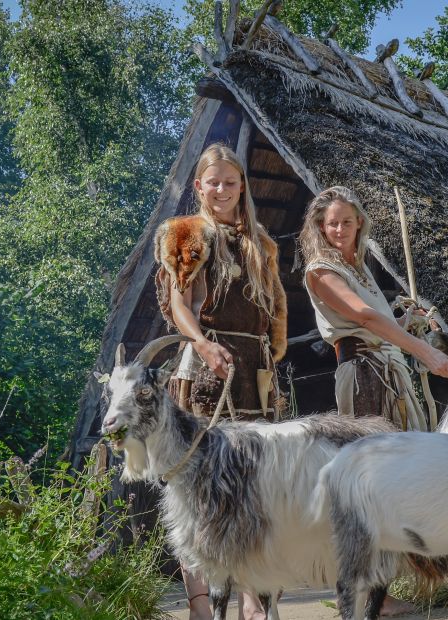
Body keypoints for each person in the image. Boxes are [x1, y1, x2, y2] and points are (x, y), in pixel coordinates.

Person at [300, 186, 448, 615]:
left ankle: (384, 589)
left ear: (359, 224)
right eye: (331, 223)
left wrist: (409, 321)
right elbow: (365, 319)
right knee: (374, 484)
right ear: (319, 227)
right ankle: (365, 592)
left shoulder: (361, 270)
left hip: (390, 371)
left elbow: (381, 321)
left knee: (400, 480)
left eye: (347, 222)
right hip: (367, 375)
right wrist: (423, 350)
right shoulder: (320, 270)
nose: (339, 230)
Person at [156, 143, 287, 620]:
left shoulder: (260, 242)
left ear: (241, 187)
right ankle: (200, 606)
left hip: (254, 371)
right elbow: (179, 305)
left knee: (254, 487)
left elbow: (269, 309)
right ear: (199, 186)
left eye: (231, 182)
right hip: (206, 368)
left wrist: (268, 355)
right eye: (214, 182)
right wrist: (204, 346)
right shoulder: (188, 233)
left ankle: (253, 601)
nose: (223, 190)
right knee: (195, 489)